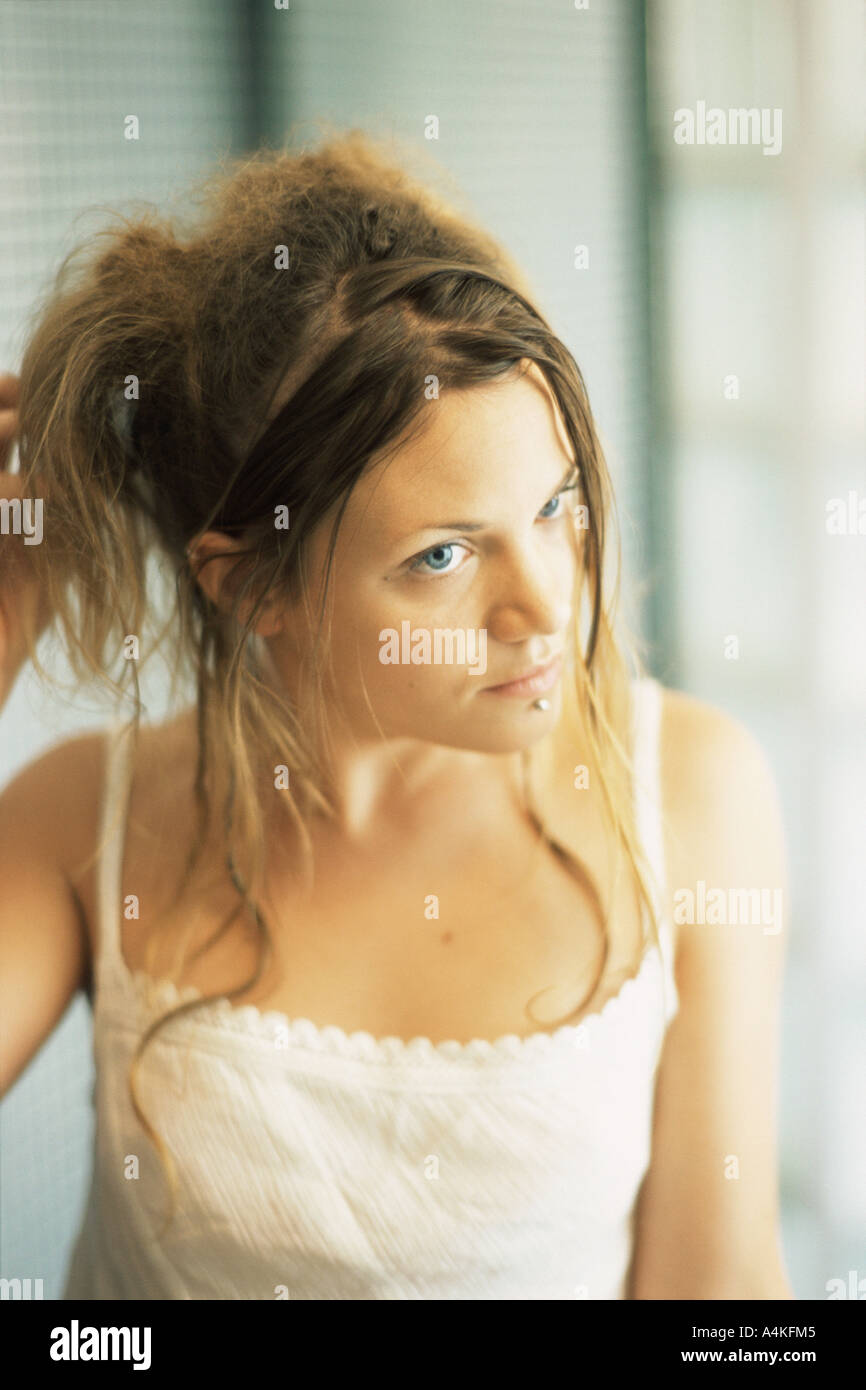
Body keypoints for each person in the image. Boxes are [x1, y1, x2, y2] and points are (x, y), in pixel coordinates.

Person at [0, 129, 793, 1300]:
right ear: (249, 583)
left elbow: (716, 1301)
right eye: (439, 554)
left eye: (554, 503)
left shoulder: (689, 789)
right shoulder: (83, 825)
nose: (543, 607)